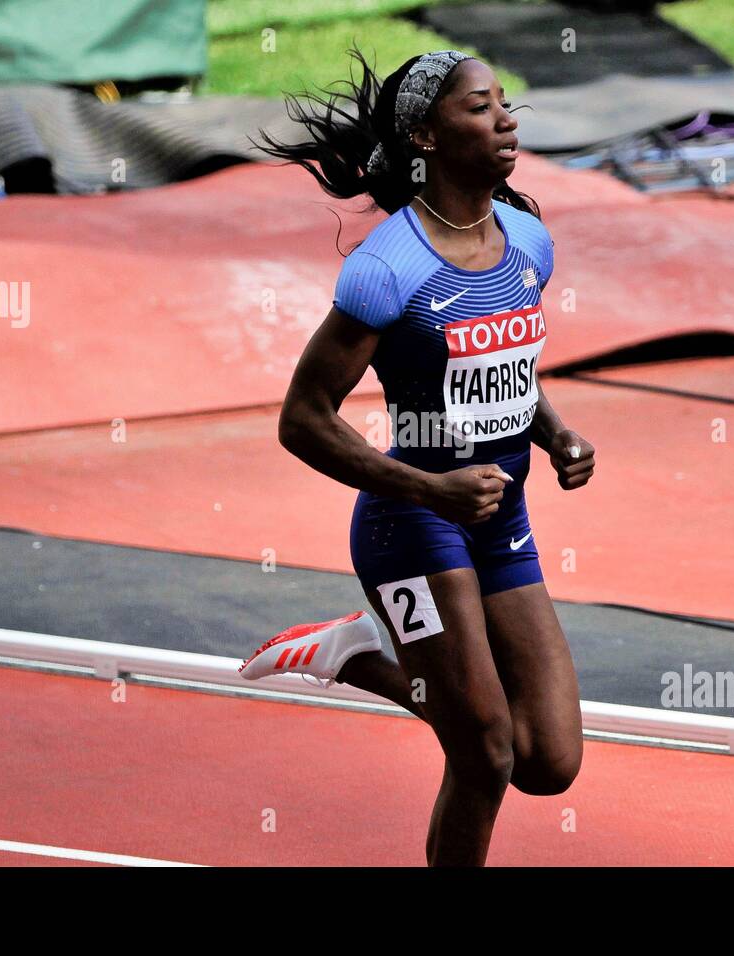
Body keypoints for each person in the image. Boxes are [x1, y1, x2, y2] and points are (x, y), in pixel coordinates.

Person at [241, 48, 596, 866]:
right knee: (485, 757)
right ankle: (376, 647)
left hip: (501, 517)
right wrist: (427, 488)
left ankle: (362, 654)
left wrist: (556, 434)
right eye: (480, 107)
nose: (506, 119)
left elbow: (507, 371)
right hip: (411, 523)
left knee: (549, 760)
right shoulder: (387, 269)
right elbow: (303, 419)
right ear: (426, 135)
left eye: (506, 103)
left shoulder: (529, 243)